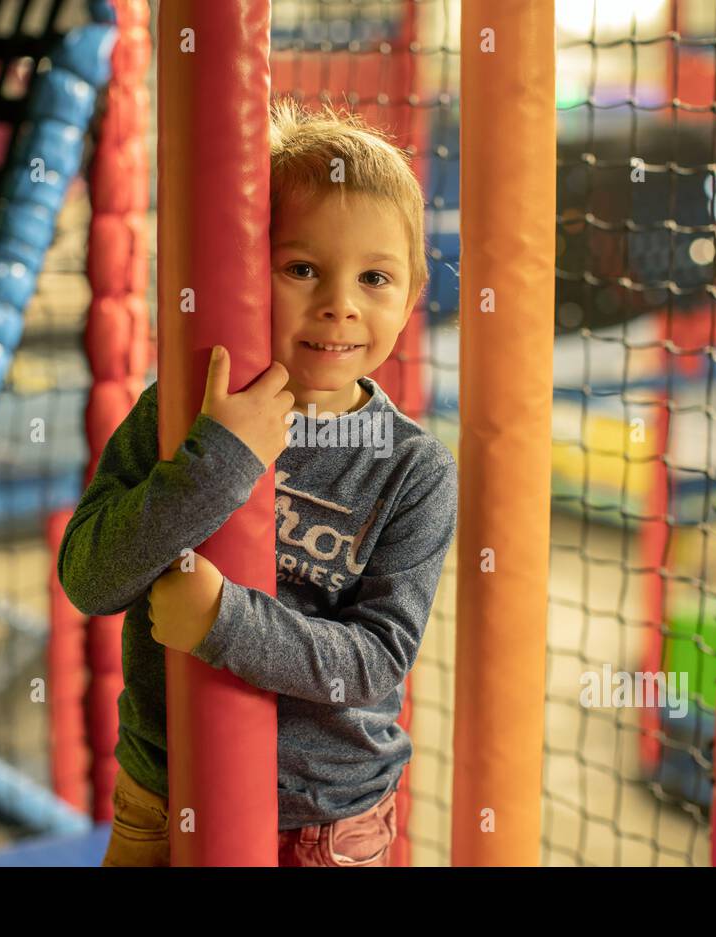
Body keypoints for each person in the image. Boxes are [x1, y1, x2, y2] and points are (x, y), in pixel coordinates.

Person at [58, 98, 458, 866]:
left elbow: (374, 659)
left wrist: (224, 622)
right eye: (302, 268)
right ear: (248, 276)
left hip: (321, 822)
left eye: (375, 278)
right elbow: (89, 578)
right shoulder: (177, 413)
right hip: (163, 794)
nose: (340, 302)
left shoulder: (412, 471)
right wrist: (222, 460)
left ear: (410, 302)